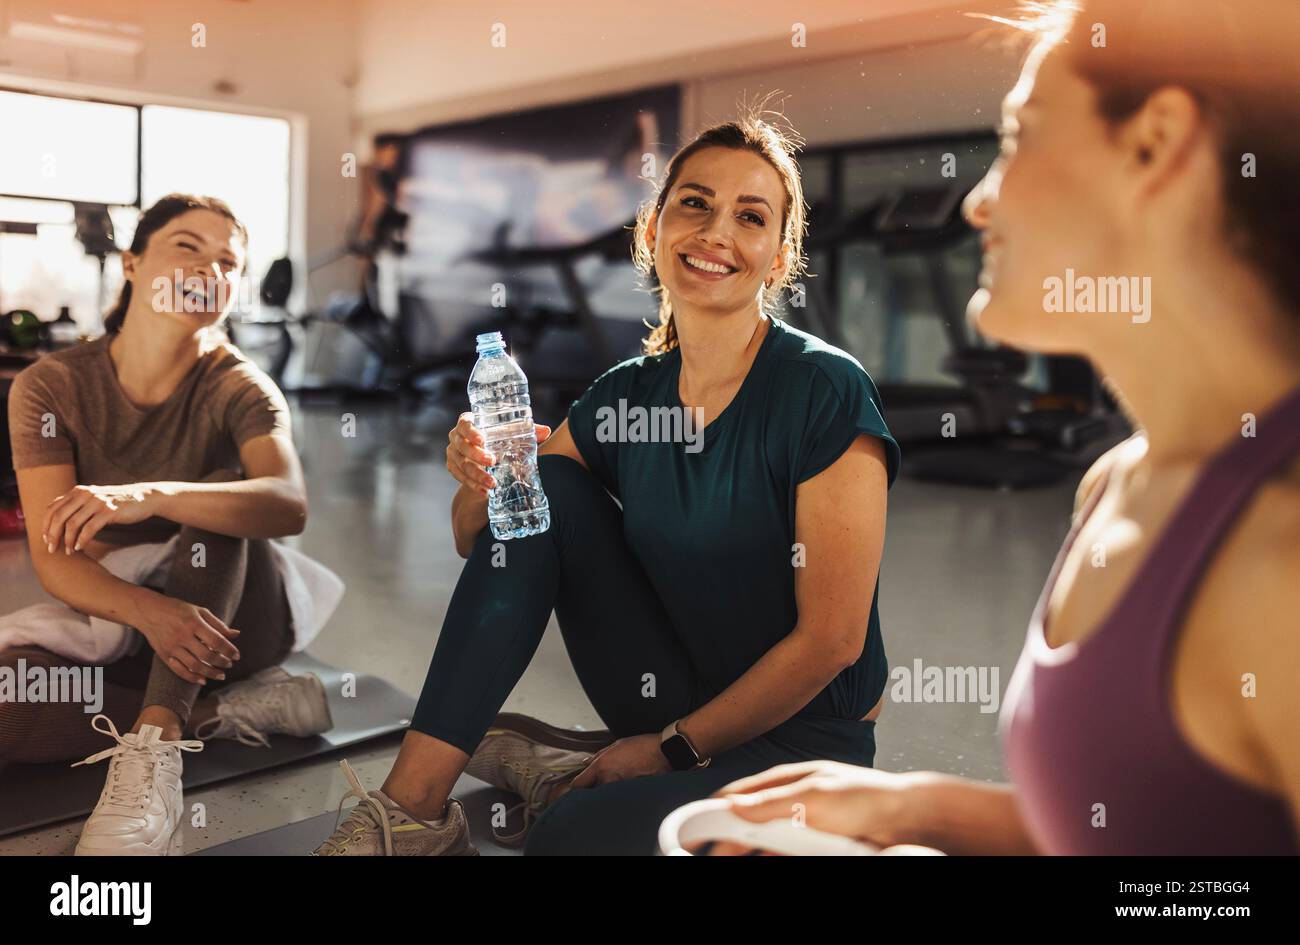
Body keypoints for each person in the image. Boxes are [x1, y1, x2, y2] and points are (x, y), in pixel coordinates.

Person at [713, 0, 1300, 855]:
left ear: (1154, 145)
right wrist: (918, 809)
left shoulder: (1281, 551)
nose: (981, 202)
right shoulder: (1116, 484)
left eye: (1018, 140)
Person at [312, 107, 902, 856]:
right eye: (694, 203)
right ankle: (413, 809)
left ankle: (574, 781)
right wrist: (475, 476)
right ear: (653, 228)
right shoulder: (627, 394)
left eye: (749, 216)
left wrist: (671, 749)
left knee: (568, 842)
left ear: (779, 257)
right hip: (666, 695)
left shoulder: (823, 389)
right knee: (550, 487)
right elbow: (484, 538)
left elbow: (832, 641)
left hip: (799, 744)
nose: (716, 232)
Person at [1, 194, 332, 855]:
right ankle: (218, 711)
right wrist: (149, 611)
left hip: (238, 617)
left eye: (227, 261)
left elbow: (287, 501)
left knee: (219, 492)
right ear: (131, 263)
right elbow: (55, 557)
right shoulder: (49, 385)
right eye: (187, 246)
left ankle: (155, 749)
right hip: (128, 618)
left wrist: (155, 495)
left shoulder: (239, 386)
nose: (210, 267)